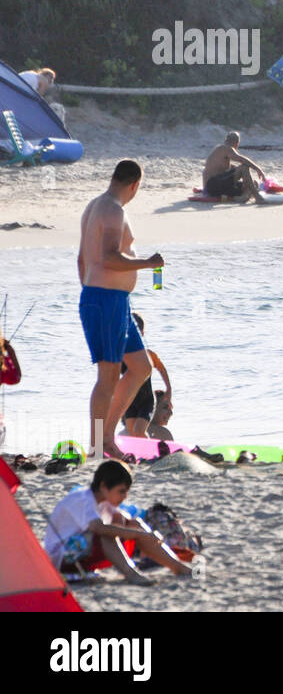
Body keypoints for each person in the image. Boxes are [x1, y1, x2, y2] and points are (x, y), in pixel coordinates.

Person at [78, 160, 165, 461]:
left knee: (141, 367)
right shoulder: (112, 210)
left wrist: (92, 291)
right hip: (105, 300)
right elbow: (108, 258)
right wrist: (148, 263)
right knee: (108, 376)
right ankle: (98, 445)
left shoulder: (94, 206)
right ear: (135, 185)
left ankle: (107, 436)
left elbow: (82, 260)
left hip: (112, 301)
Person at [43, 460, 191, 584]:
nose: (125, 497)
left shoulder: (104, 501)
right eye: (121, 491)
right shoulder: (84, 499)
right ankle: (130, 573)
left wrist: (144, 533)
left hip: (81, 553)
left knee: (135, 524)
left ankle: (177, 566)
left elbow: (127, 522)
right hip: (63, 558)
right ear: (103, 486)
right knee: (107, 533)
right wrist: (139, 535)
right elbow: (98, 528)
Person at [120, 314, 172, 439]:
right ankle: (140, 456)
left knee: (139, 432)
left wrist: (168, 389)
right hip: (130, 400)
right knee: (132, 432)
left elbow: (161, 368)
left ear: (142, 333)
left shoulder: (147, 354)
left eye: (137, 329)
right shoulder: (120, 355)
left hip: (146, 400)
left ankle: (151, 454)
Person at [201, 131, 267, 203]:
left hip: (214, 188)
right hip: (214, 185)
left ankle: (243, 196)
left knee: (254, 183)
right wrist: (258, 169)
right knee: (244, 167)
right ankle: (257, 197)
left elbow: (206, 172)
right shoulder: (226, 148)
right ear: (237, 143)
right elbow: (241, 159)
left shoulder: (218, 151)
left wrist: (205, 192)